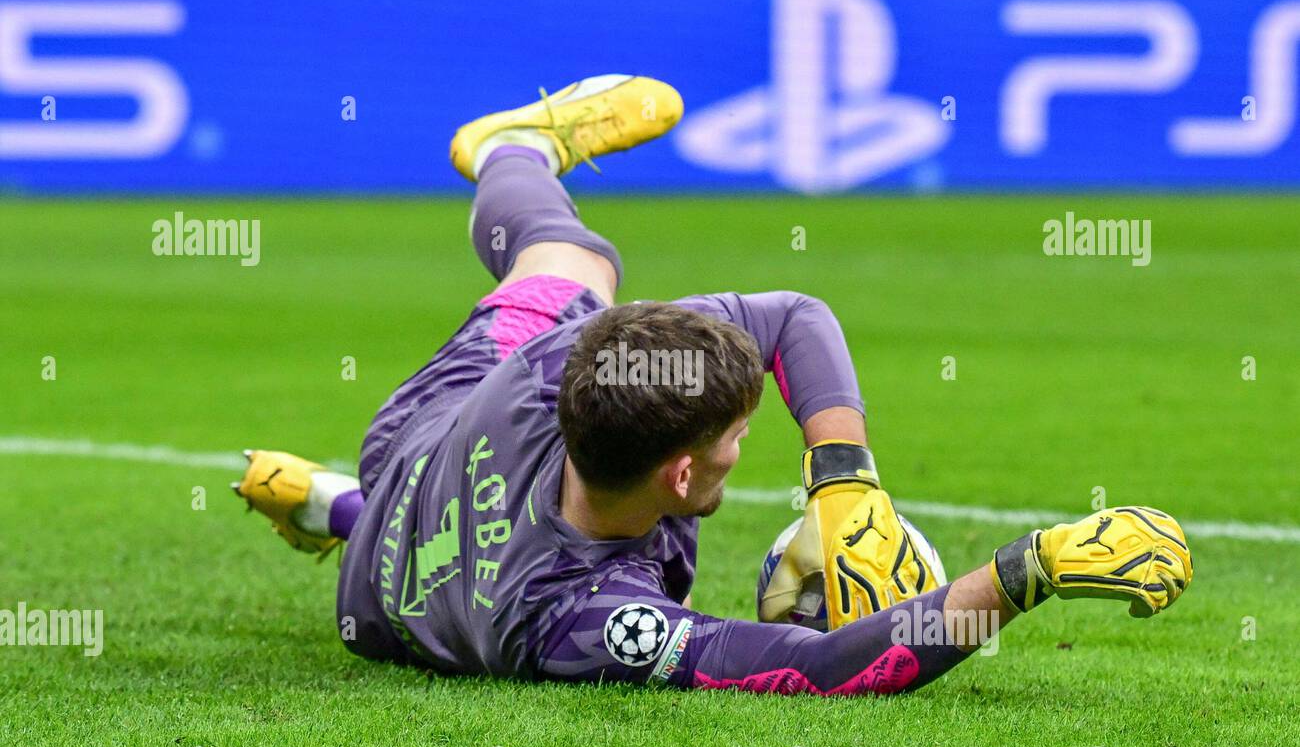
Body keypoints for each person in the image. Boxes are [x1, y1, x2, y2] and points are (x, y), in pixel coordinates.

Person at [233, 75, 1193, 695]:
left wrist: (845, 481)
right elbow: (823, 667)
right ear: (682, 480)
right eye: (736, 435)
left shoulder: (582, 369)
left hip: (438, 427)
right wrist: (1030, 569)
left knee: (568, 256)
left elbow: (791, 316)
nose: (748, 439)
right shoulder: (584, 617)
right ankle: (339, 504)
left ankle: (509, 148)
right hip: (391, 573)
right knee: (571, 265)